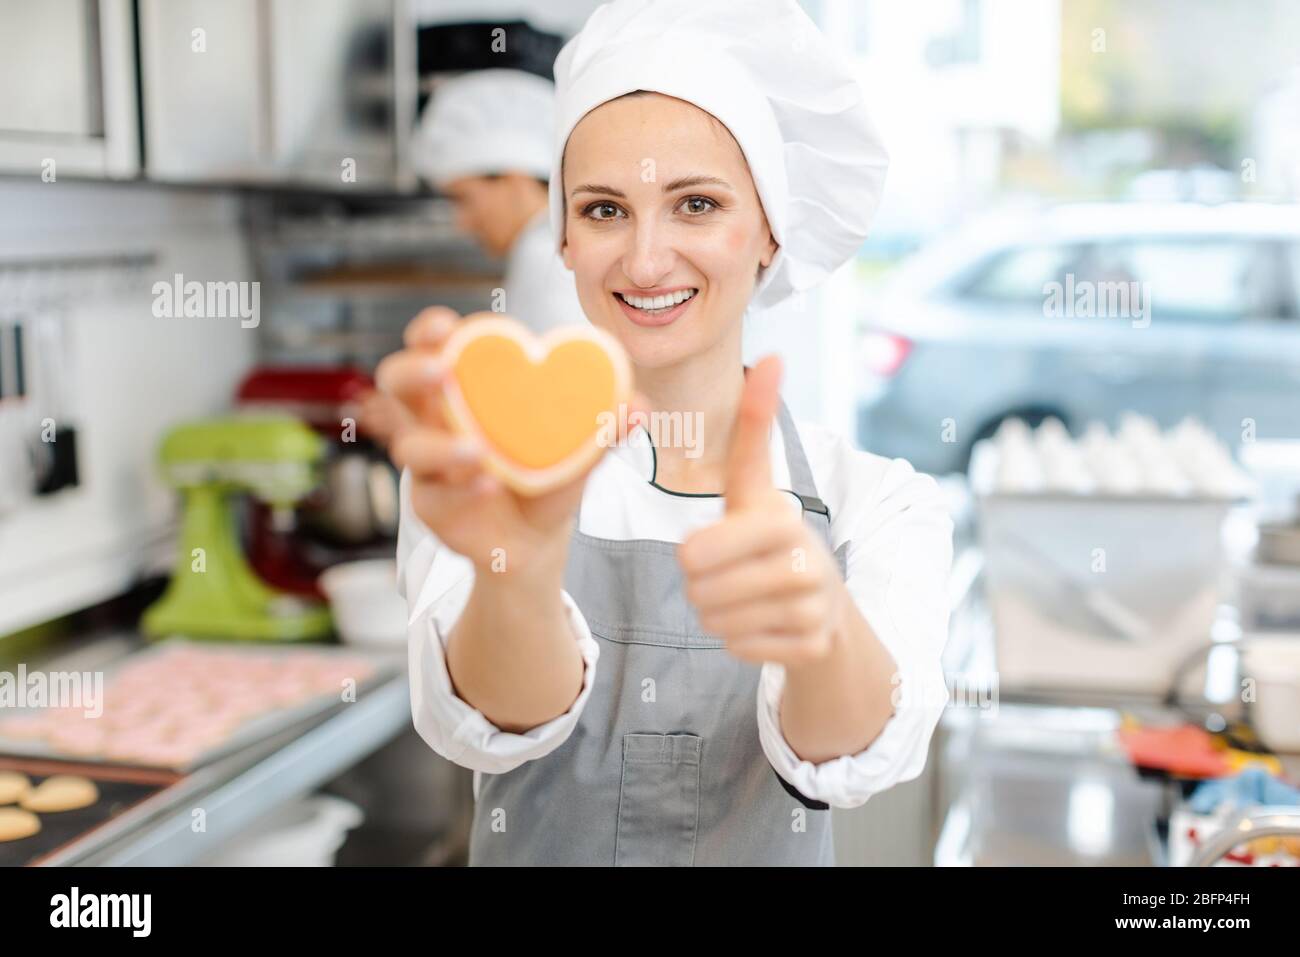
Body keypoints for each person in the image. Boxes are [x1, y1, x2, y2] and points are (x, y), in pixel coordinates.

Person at [379, 0, 954, 866]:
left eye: (695, 203)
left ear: (768, 231)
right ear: (564, 237)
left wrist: (817, 623)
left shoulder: (876, 502)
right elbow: (500, 718)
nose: (646, 260)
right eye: (605, 210)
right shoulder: (490, 478)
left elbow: (850, 751)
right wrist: (519, 573)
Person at [410, 68, 583, 334]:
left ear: (512, 179)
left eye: (462, 199)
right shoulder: (544, 247)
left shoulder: (545, 259)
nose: (462, 223)